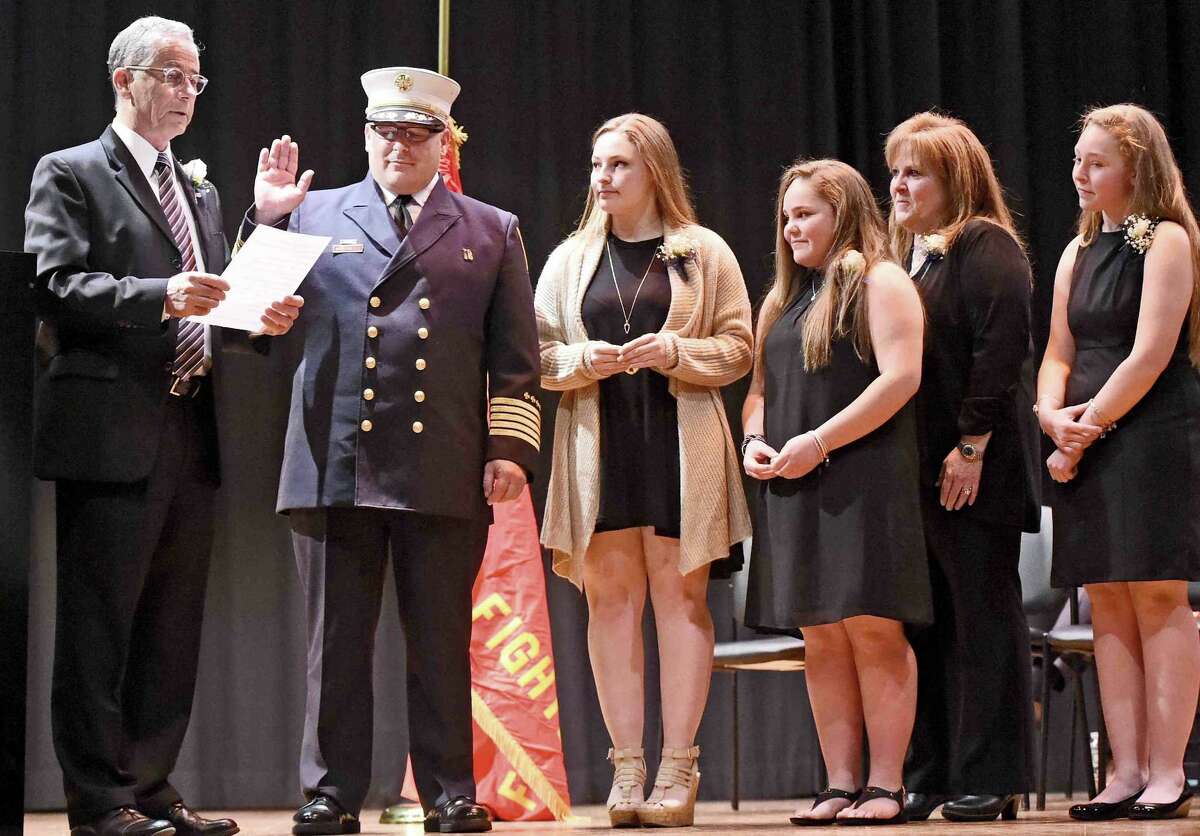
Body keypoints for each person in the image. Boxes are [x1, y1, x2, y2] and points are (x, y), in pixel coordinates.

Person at [23, 15, 301, 836]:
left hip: (190, 425)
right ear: (124, 80)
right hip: (111, 429)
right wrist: (159, 295)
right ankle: (99, 801)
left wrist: (264, 298)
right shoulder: (71, 171)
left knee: (170, 627)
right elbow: (55, 285)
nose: (186, 93)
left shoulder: (201, 188)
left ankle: (149, 787)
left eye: (195, 79)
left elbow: (218, 295)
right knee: (99, 629)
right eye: (172, 76)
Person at [245, 67, 540, 835]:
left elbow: (515, 360)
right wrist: (267, 222)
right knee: (334, 645)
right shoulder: (307, 213)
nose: (398, 145)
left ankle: (448, 790)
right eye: (386, 130)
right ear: (366, 135)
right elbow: (244, 322)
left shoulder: (490, 227)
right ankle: (331, 793)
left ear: (443, 143)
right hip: (332, 459)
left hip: (440, 461)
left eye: (415, 132)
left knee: (440, 640)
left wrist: (509, 446)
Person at [535, 113, 752, 827]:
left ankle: (677, 768)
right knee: (610, 601)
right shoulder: (570, 258)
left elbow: (739, 348)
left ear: (654, 170)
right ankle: (625, 769)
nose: (603, 178)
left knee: (679, 598)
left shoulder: (702, 251)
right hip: (599, 442)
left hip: (678, 440)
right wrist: (577, 362)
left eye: (619, 165)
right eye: (597, 165)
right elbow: (533, 354)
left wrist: (677, 354)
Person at [742, 159, 930, 826]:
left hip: (863, 481)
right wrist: (754, 442)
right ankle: (839, 781)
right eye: (786, 215)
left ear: (843, 213)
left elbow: (900, 379)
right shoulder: (782, 298)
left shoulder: (882, 281)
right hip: (793, 483)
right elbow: (759, 392)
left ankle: (885, 785)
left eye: (806, 213)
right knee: (820, 636)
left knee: (874, 630)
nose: (791, 226)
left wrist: (818, 442)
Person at [1037, 103, 1200, 822]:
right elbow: (1058, 354)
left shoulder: (1165, 240)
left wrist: (1084, 429)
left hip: (1149, 435)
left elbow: (1150, 354)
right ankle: (1124, 769)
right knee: (1105, 599)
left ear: (1135, 167)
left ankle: (1170, 770)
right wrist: (1049, 415)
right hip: (1083, 437)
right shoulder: (1076, 252)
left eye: (1096, 162)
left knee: (1159, 598)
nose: (1080, 173)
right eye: (1078, 160)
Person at [885, 112, 1041, 823]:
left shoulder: (987, 246)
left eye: (915, 171)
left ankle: (992, 773)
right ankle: (934, 772)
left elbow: (1000, 352)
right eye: (895, 170)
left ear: (956, 180)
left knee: (982, 621)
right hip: (920, 469)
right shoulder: (913, 253)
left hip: (973, 465)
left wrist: (972, 444)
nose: (900, 184)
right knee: (930, 624)